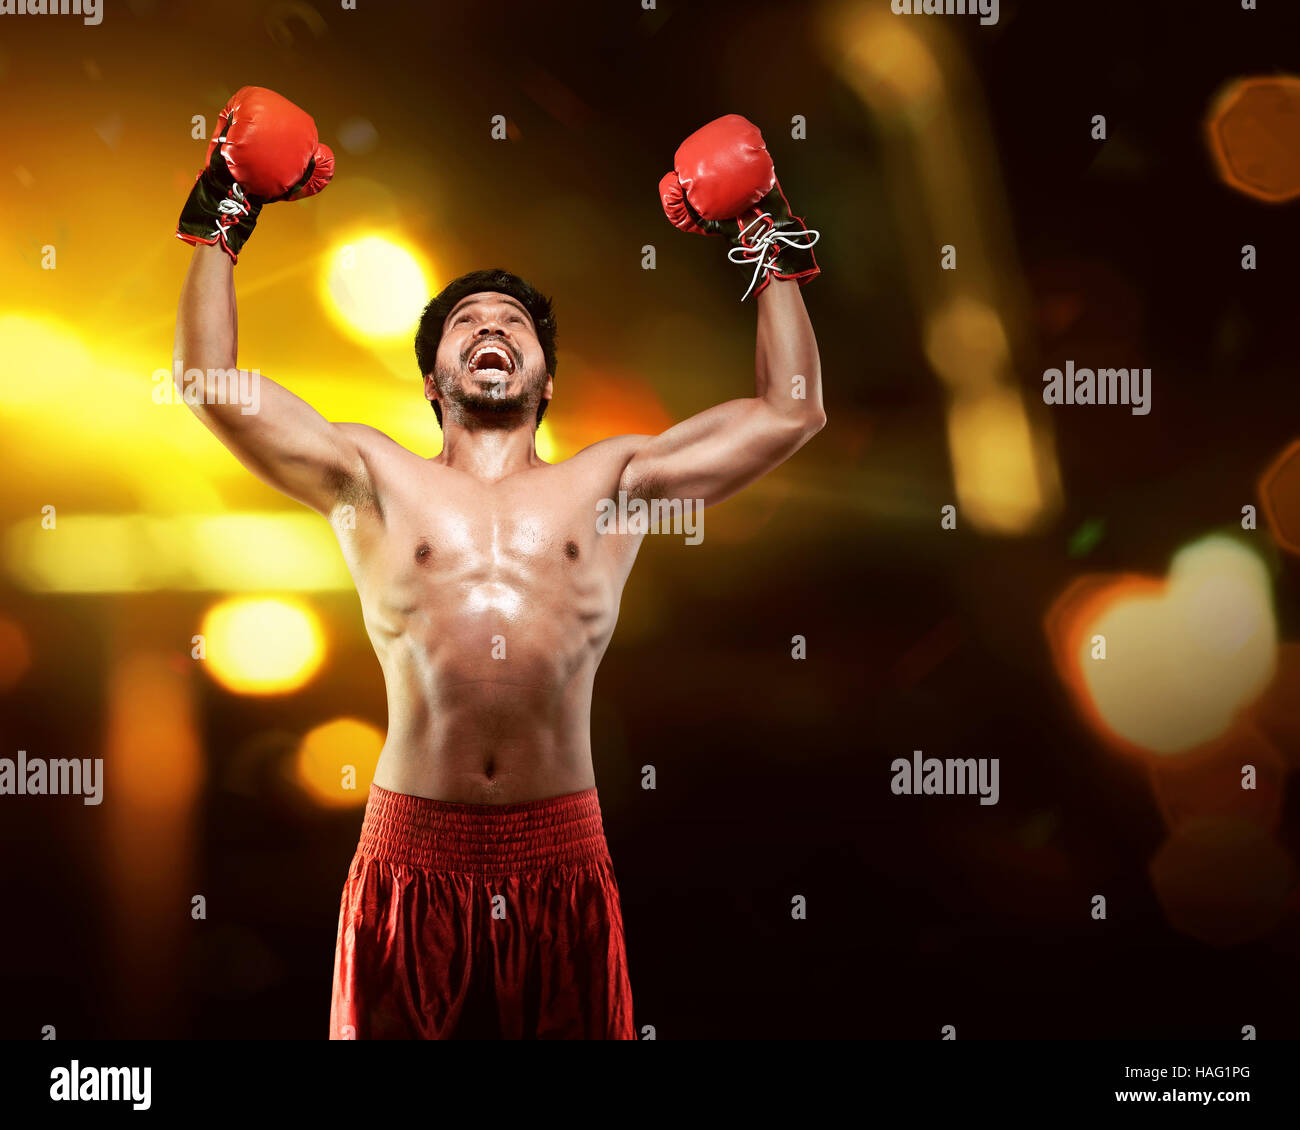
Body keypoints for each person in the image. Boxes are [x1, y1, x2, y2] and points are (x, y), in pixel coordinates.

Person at [173, 88, 825, 1039]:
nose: (493, 330)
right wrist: (220, 218)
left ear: (546, 381)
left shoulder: (618, 481)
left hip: (564, 857)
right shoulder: (368, 475)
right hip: (410, 856)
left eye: (515, 325)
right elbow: (208, 387)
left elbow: (791, 411)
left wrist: (770, 236)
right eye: (468, 323)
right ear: (434, 376)